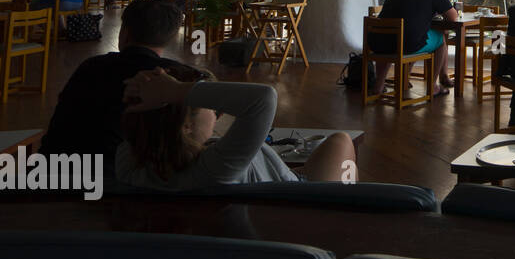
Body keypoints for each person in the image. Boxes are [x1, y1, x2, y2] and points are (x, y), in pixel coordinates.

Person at [117, 67, 356, 188]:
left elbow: (146, 123)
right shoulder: (216, 167)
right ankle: (345, 221)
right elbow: (263, 99)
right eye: (209, 108)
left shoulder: (129, 161)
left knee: (314, 158)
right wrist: (172, 91)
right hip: (295, 199)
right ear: (186, 126)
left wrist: (147, 90)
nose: (218, 113)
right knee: (340, 141)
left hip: (278, 183)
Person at [38, 0, 188, 175]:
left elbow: (61, 125)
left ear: (124, 32)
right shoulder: (178, 77)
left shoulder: (91, 67)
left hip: (58, 174)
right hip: (130, 183)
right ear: (170, 38)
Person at [371, 0, 458, 95]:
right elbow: (452, 17)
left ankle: (378, 86)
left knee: (396, 37)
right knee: (440, 40)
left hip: (378, 42)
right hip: (406, 45)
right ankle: (433, 87)